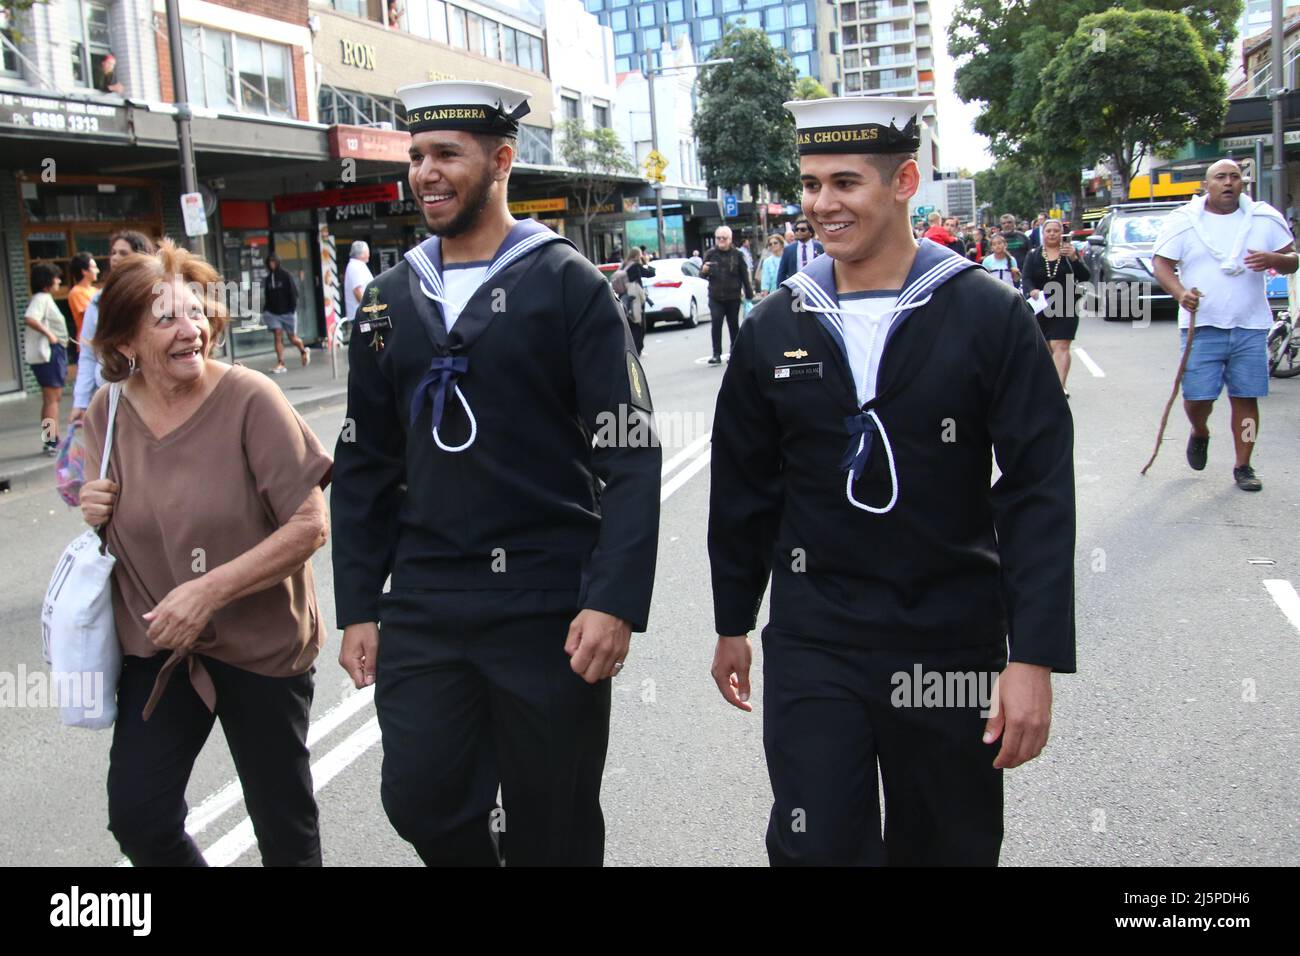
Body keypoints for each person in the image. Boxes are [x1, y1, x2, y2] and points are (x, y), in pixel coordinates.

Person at [708, 94, 1075, 867]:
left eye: (846, 182)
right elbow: (746, 482)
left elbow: (1037, 486)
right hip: (817, 637)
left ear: (905, 180)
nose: (821, 204)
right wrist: (733, 619)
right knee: (817, 848)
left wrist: (1032, 655)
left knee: (949, 848)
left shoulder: (987, 312)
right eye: (810, 184)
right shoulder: (775, 322)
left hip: (949, 639)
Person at [331, 80, 661, 866]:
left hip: (548, 600)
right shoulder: (387, 299)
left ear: (502, 161)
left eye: (447, 154)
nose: (426, 172)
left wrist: (613, 600)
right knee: (418, 795)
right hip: (426, 598)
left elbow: (630, 453)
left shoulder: (567, 284)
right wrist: (357, 606)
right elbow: (365, 461)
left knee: (554, 820)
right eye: (416, 156)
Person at [77, 241, 332, 866]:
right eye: (166, 319)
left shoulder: (249, 398)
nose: (191, 330)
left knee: (284, 831)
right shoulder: (108, 412)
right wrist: (93, 506)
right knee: (139, 817)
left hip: (260, 646)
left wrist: (207, 591)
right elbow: (118, 522)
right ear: (126, 342)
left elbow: (309, 526)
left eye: (196, 313)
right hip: (160, 646)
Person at [1152, 158, 1296, 492]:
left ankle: (1243, 464)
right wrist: (1180, 293)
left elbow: (1292, 259)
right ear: (1207, 185)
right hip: (1202, 326)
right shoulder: (1184, 221)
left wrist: (1274, 260)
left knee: (1246, 399)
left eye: (1235, 177)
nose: (1229, 182)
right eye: (1221, 177)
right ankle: (1200, 431)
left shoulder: (1263, 217)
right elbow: (1161, 263)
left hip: (1250, 325)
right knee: (1197, 398)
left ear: (1242, 183)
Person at [72, 231, 156, 426]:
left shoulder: (157, 296)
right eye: (113, 252)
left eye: (124, 253)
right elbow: (88, 354)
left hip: (151, 395)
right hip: (111, 396)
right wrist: (81, 401)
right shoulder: (99, 300)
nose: (116, 258)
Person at [1023, 218, 1090, 394]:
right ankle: (1047, 385)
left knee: (1060, 345)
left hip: (1066, 305)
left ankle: (1060, 387)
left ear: (1062, 234)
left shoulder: (1069, 254)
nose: (1052, 234)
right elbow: (1027, 278)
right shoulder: (1033, 255)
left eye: (1056, 230)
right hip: (1041, 307)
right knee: (1044, 347)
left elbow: (1085, 276)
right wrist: (1031, 290)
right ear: (1043, 234)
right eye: (1048, 231)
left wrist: (1075, 259)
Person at [24, 263, 68, 456]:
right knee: (51, 400)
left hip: (51, 353)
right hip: (48, 354)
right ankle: (52, 441)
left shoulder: (43, 298)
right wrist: (50, 334)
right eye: (56, 277)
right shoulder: (41, 298)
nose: (59, 280)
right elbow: (31, 318)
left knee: (52, 399)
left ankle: (51, 439)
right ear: (47, 281)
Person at [702, 225, 753, 365]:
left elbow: (744, 276)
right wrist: (704, 270)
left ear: (730, 239)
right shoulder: (710, 253)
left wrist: (749, 294)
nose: (721, 240)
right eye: (718, 238)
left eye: (724, 238)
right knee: (716, 323)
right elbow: (701, 275)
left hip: (733, 297)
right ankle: (716, 354)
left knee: (733, 325)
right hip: (715, 296)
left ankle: (734, 353)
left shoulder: (737, 254)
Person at [262, 254, 310, 374]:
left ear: (277, 262)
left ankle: (303, 351)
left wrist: (292, 308)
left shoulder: (285, 275)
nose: (271, 264)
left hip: (288, 312)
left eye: (273, 261)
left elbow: (293, 292)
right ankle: (281, 363)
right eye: (269, 262)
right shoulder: (268, 279)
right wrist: (266, 309)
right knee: (277, 334)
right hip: (273, 312)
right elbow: (267, 295)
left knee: (292, 338)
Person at [67, 251, 100, 383]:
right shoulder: (76, 293)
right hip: (89, 344)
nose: (97, 270)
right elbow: (93, 316)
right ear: (84, 271)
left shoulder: (95, 291)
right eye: (94, 267)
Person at [622, 248, 656, 354]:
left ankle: (633, 348)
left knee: (631, 323)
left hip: (626, 298)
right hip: (636, 297)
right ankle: (638, 349)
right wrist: (647, 262)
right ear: (637, 255)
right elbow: (651, 273)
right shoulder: (636, 266)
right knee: (639, 324)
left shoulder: (624, 265)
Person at [775, 219, 825, 285]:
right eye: (796, 229)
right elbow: (782, 272)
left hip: (816, 286)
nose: (799, 232)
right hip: (795, 287)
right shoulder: (789, 249)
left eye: (803, 230)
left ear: (810, 232)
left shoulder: (819, 247)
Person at [343, 240, 372, 325]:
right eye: (367, 252)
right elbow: (358, 291)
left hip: (362, 314)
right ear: (362, 254)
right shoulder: (355, 266)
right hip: (361, 315)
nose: (369, 255)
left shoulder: (358, 265)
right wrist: (368, 309)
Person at [758, 234, 785, 299]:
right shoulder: (767, 261)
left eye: (775, 243)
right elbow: (765, 280)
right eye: (770, 244)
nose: (773, 245)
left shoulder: (787, 258)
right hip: (774, 293)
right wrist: (765, 296)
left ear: (781, 244)